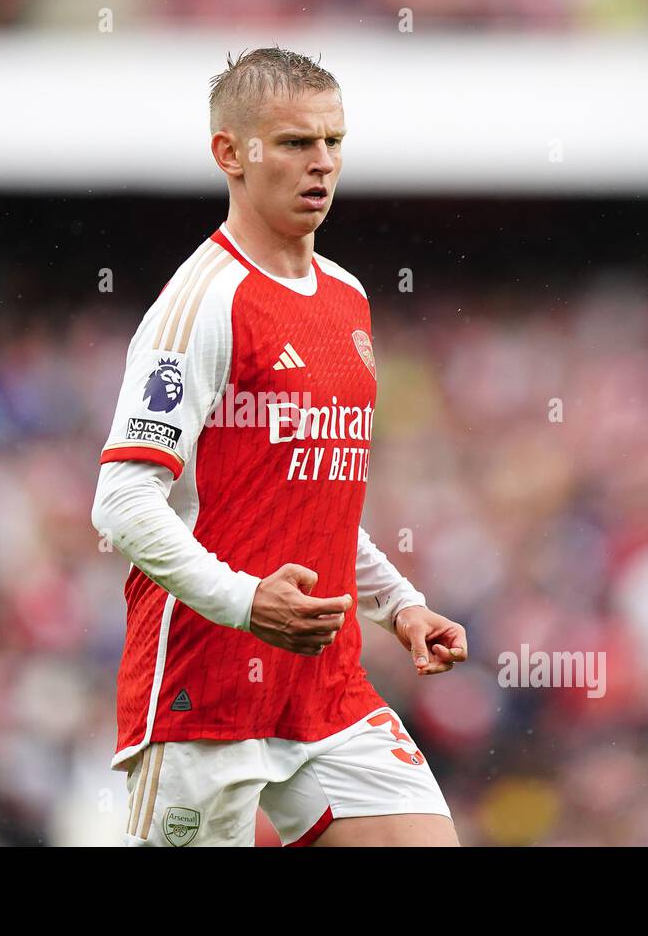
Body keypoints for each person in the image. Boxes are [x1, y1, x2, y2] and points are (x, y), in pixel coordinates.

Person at [91, 46, 466, 847]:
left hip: (322, 681)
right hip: (205, 683)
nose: (322, 164)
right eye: (296, 143)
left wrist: (398, 604)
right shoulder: (201, 303)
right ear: (231, 152)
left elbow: (314, 499)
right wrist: (246, 601)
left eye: (334, 142)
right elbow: (121, 503)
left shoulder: (347, 297)